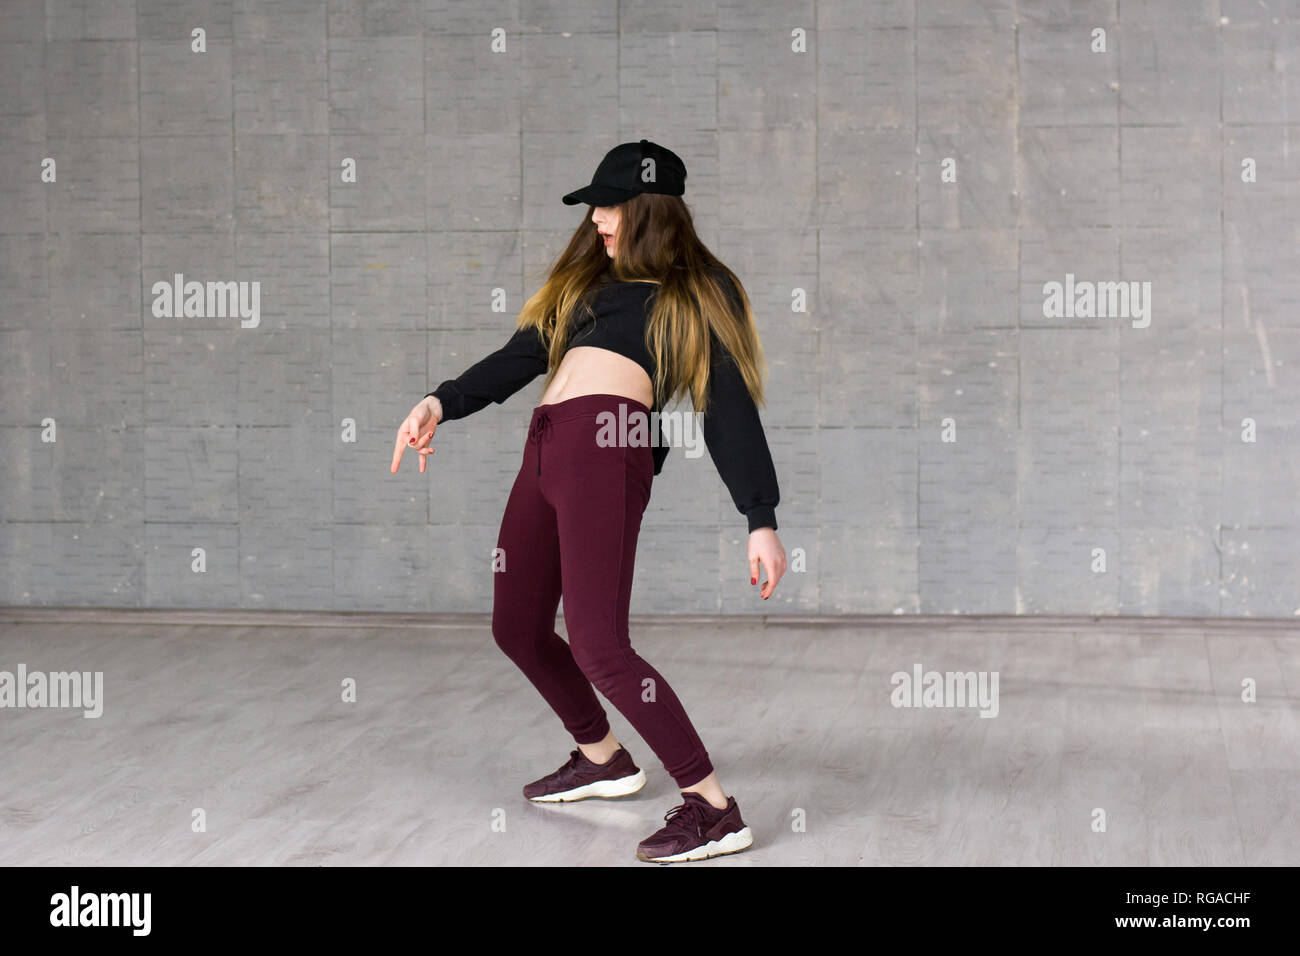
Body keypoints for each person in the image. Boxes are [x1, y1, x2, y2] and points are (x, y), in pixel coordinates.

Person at [391, 140, 786, 863]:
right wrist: (436, 403)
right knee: (517, 626)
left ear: (650, 213)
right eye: (595, 208)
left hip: (605, 450)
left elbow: (726, 403)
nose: (598, 220)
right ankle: (603, 757)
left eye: (609, 207)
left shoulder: (695, 292)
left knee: (601, 643)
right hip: (544, 447)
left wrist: (759, 517)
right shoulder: (587, 287)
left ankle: (713, 808)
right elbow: (518, 359)